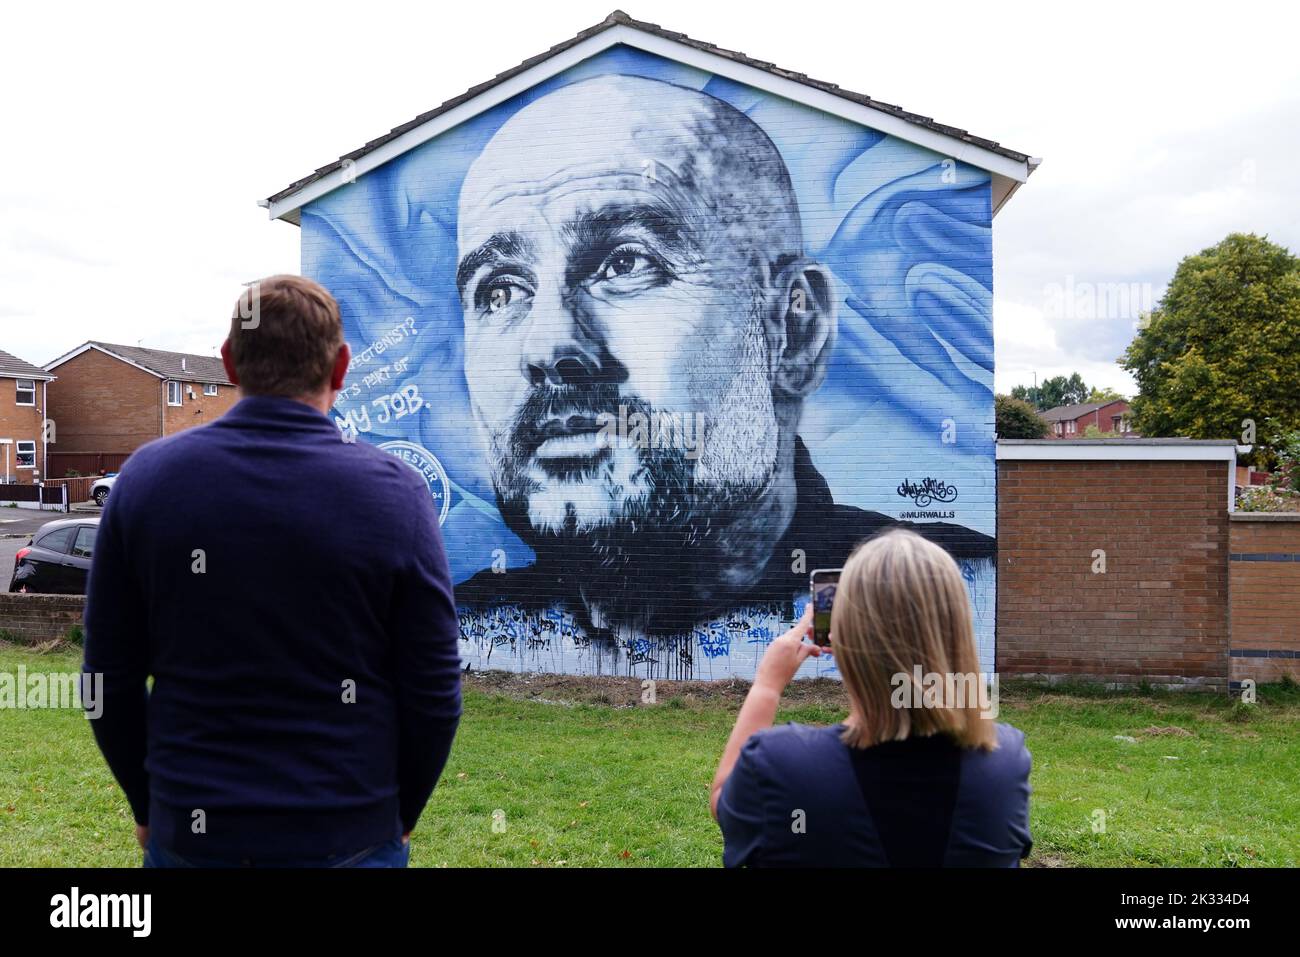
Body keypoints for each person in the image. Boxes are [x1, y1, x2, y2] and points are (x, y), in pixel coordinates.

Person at [453, 74, 994, 644]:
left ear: (794, 329)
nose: (547, 347)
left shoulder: (946, 594)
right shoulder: (465, 628)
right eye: (501, 290)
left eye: (626, 264)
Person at [82, 275, 462, 867]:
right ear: (340, 368)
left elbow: (105, 681)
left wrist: (147, 806)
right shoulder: (398, 496)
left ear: (230, 361)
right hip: (352, 839)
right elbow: (434, 693)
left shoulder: (145, 483)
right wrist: (398, 816)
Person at [711, 528, 1031, 866]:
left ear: (841, 635)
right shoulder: (1004, 762)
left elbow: (724, 802)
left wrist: (766, 688)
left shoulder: (782, 765)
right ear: (956, 633)